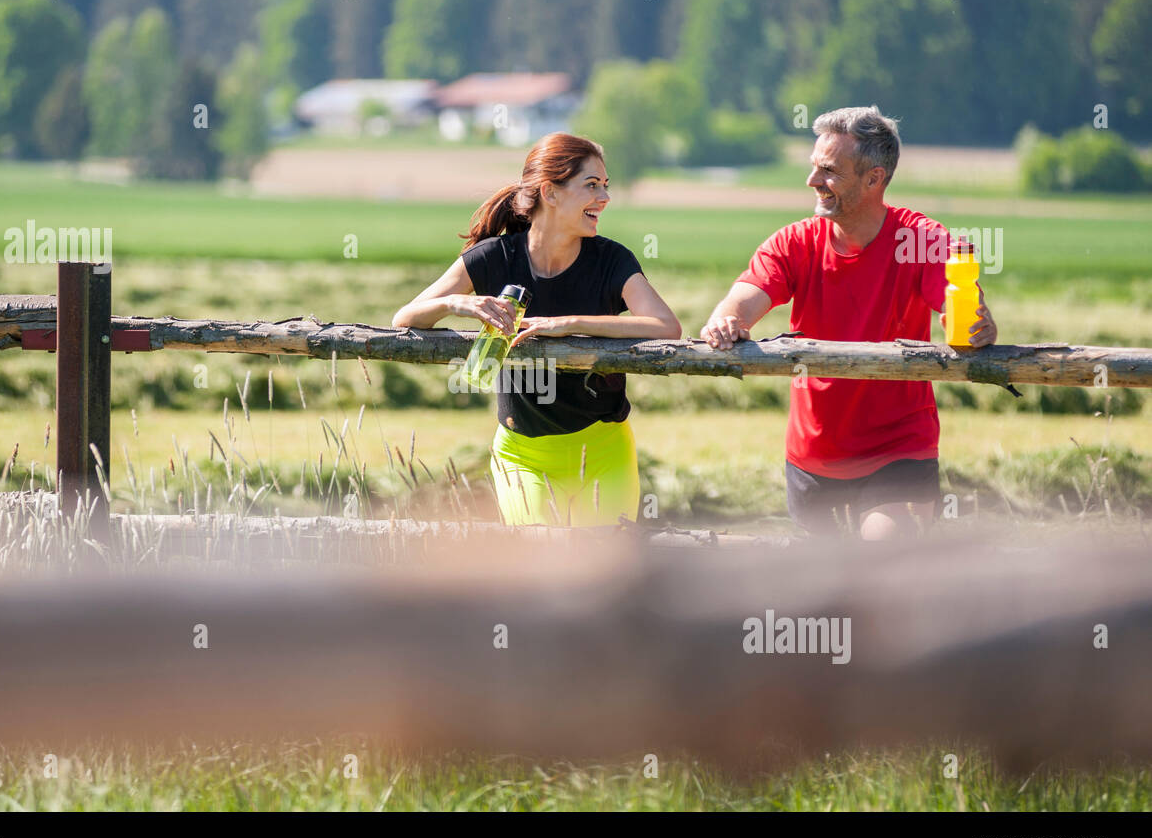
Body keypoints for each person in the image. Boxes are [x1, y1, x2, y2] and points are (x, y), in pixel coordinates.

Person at [700, 106, 998, 540]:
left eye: (829, 171)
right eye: (813, 167)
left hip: (899, 452)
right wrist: (726, 322)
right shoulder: (795, 241)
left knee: (884, 561)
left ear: (874, 179)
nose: (812, 181)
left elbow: (959, 302)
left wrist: (975, 325)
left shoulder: (919, 239)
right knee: (823, 587)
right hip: (811, 457)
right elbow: (740, 303)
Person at [392, 132, 681, 526]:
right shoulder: (494, 257)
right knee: (539, 571)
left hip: (604, 451)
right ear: (551, 192)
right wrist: (457, 303)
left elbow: (666, 326)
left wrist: (569, 325)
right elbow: (405, 318)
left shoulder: (613, 260)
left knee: (604, 577)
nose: (605, 198)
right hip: (520, 456)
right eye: (591, 185)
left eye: (606, 186)